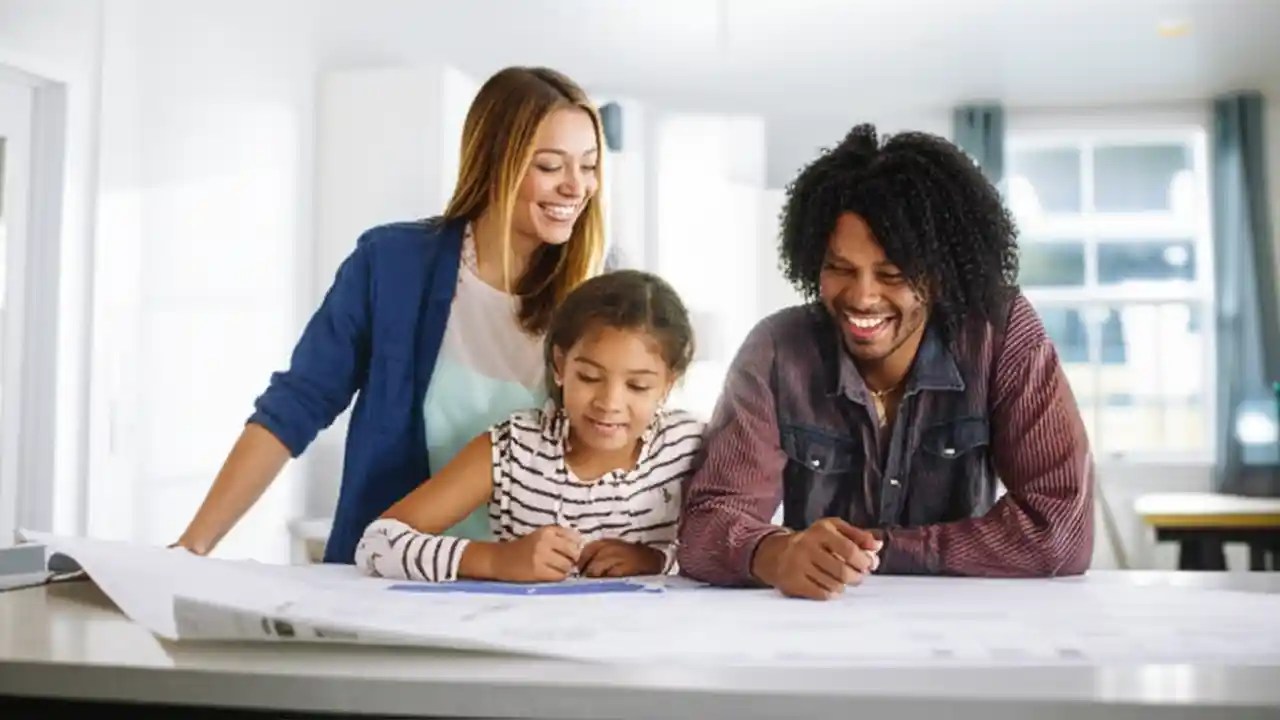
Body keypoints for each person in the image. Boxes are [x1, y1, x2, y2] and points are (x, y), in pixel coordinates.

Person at [174, 66, 608, 564]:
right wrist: (193, 546)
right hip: (390, 578)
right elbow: (294, 407)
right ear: (494, 163)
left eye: (589, 166)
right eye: (551, 166)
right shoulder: (393, 264)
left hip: (539, 587)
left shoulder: (598, 296)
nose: (577, 187)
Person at [677, 124, 1094, 600]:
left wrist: (879, 550)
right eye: (839, 269)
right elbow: (706, 525)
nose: (862, 296)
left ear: (942, 275)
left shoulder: (1000, 336)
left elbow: (1060, 531)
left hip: (964, 635)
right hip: (816, 632)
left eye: (892, 274)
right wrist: (776, 553)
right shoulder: (777, 349)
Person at [354, 270, 702, 582]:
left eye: (638, 386)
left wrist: (657, 559)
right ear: (560, 365)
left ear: (668, 384)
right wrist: (495, 560)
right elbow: (376, 542)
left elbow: (731, 553)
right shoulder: (514, 448)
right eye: (589, 376)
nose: (609, 403)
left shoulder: (689, 448)